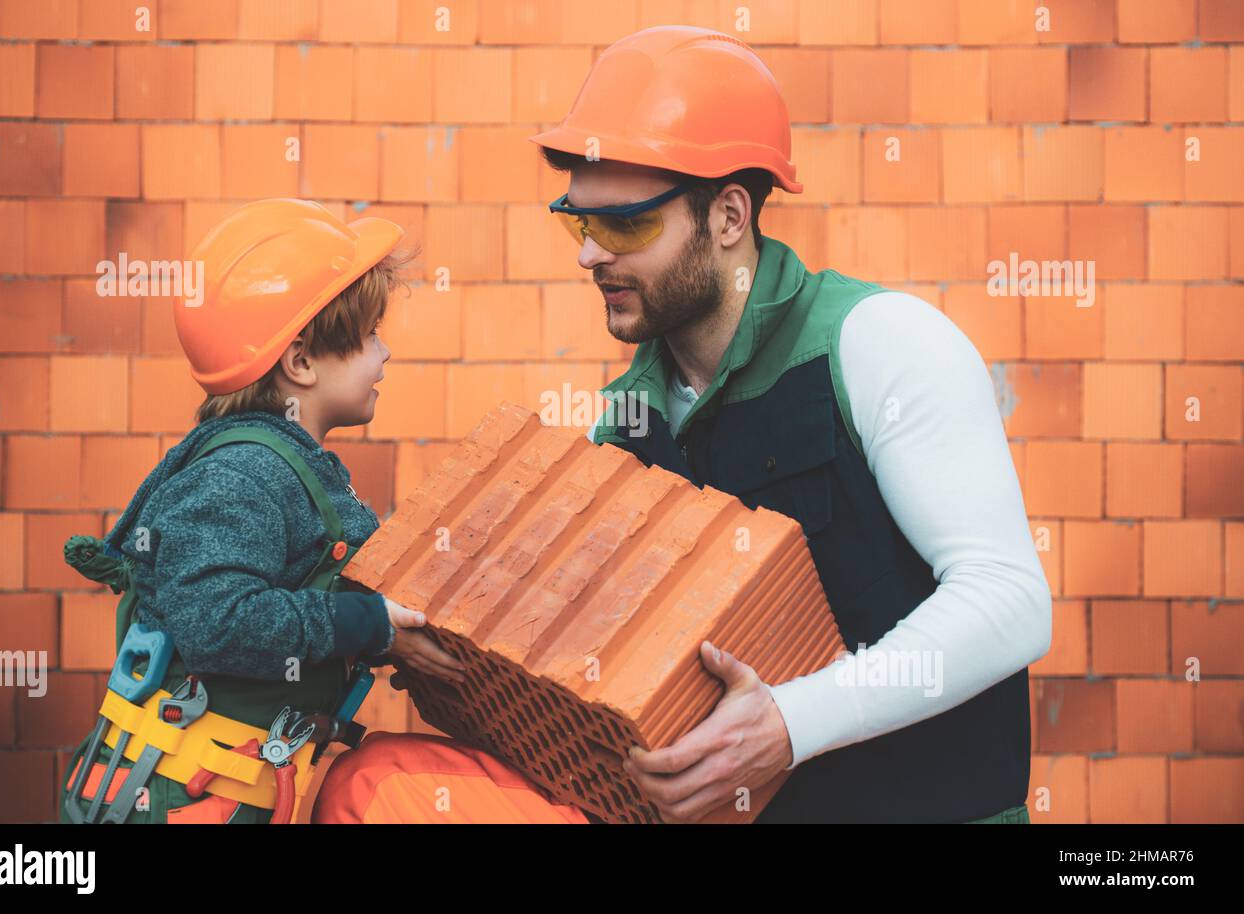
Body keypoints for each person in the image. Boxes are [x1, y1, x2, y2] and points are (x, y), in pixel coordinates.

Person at [530, 25, 1052, 824]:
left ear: (730, 215)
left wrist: (791, 723)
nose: (589, 256)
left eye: (626, 224)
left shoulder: (881, 343)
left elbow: (1009, 600)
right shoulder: (624, 427)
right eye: (579, 221)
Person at [58, 198, 466, 824]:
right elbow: (218, 620)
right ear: (300, 361)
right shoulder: (240, 476)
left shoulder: (281, 466)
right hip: (168, 802)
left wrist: (390, 639)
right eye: (369, 337)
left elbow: (288, 609)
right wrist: (369, 625)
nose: (385, 354)